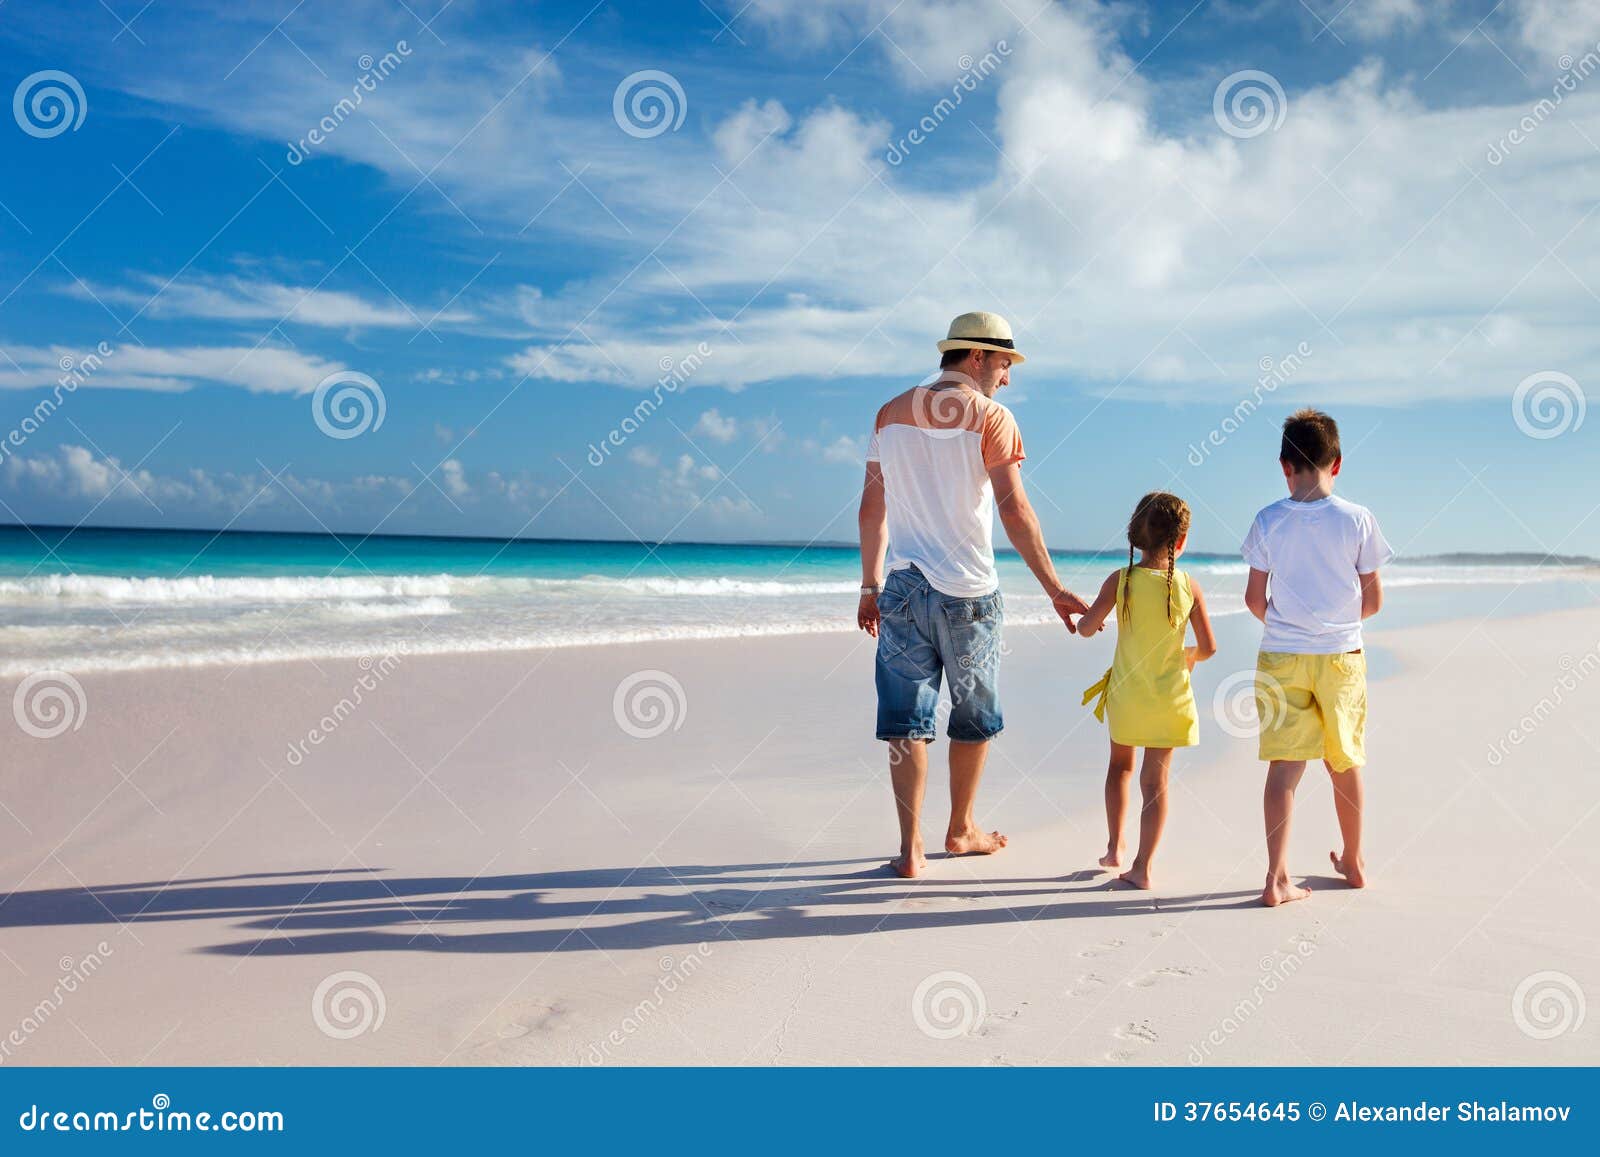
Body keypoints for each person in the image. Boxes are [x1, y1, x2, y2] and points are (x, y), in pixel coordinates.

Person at [856, 311, 1088, 878]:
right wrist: (1054, 587)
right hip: (969, 591)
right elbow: (1014, 509)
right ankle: (960, 830)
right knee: (974, 717)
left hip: (904, 587)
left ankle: (910, 849)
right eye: (1005, 363)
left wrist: (870, 584)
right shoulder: (992, 417)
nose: (1008, 377)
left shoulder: (888, 414)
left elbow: (871, 508)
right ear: (978, 356)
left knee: (904, 719)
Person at [1242, 408, 1393, 907]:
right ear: (1339, 462)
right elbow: (1373, 601)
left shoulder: (1268, 519)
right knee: (1344, 761)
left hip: (1282, 654)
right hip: (1341, 655)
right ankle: (1353, 861)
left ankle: (1276, 877)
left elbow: (1253, 599)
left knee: (1284, 767)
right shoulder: (1358, 519)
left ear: (1284, 465)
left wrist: (1289, 626)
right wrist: (1333, 624)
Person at [1076, 492, 1216, 889]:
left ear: (1136, 536)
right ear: (1181, 541)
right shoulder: (1189, 586)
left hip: (1127, 697)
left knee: (1120, 768)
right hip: (1170, 701)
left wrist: (1087, 619)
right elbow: (1209, 647)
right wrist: (1190, 656)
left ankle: (1115, 848)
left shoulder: (1120, 581)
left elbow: (1086, 628)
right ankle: (1143, 867)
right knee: (1155, 784)